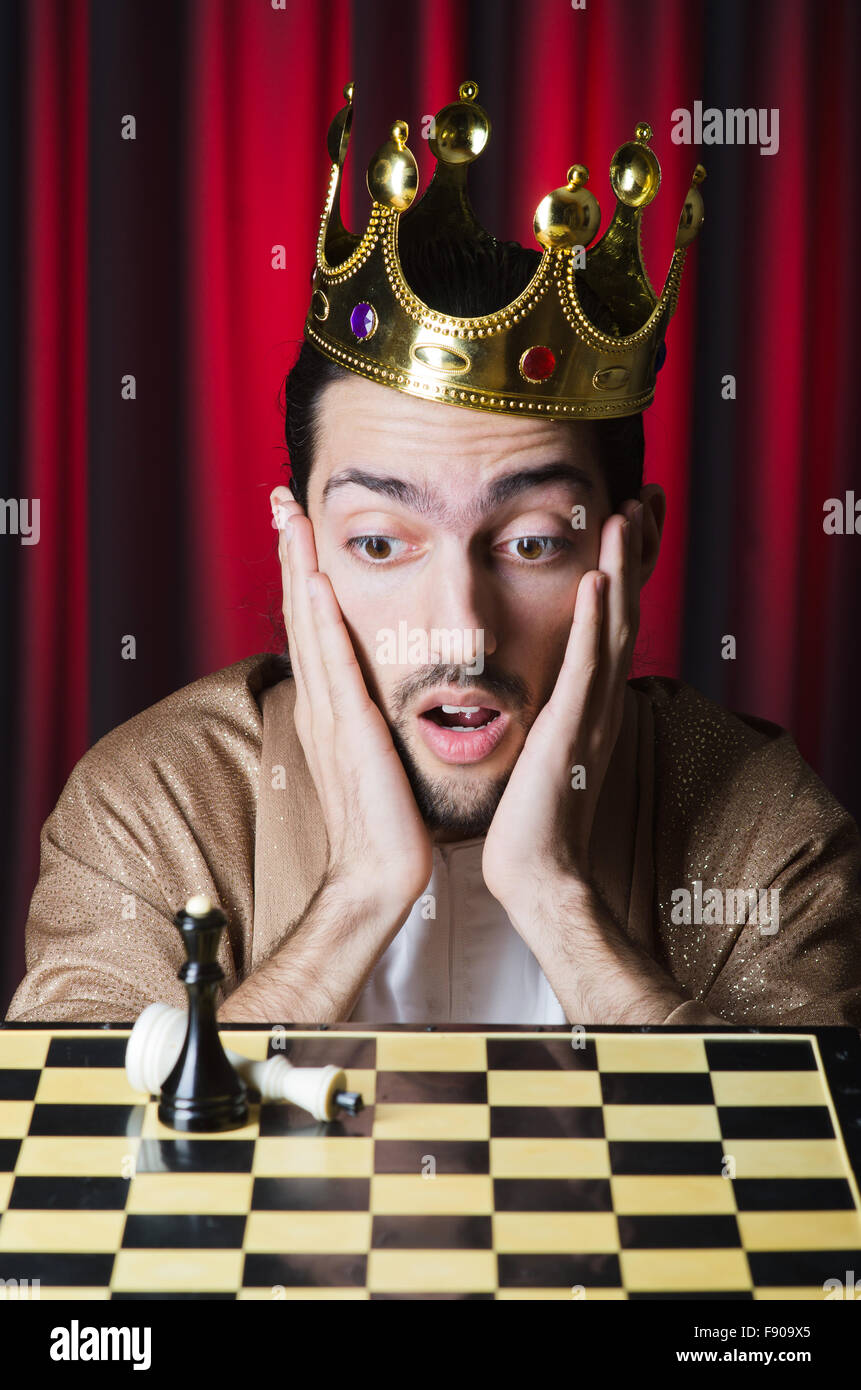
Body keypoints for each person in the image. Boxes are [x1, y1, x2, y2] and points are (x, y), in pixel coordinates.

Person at [7, 83, 861, 1026]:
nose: (458, 629)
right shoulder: (151, 803)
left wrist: (554, 895)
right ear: (301, 553)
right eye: (380, 542)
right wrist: (357, 893)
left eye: (531, 542)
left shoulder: (765, 828)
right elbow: (90, 1166)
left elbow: (784, 1171)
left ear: (636, 547)